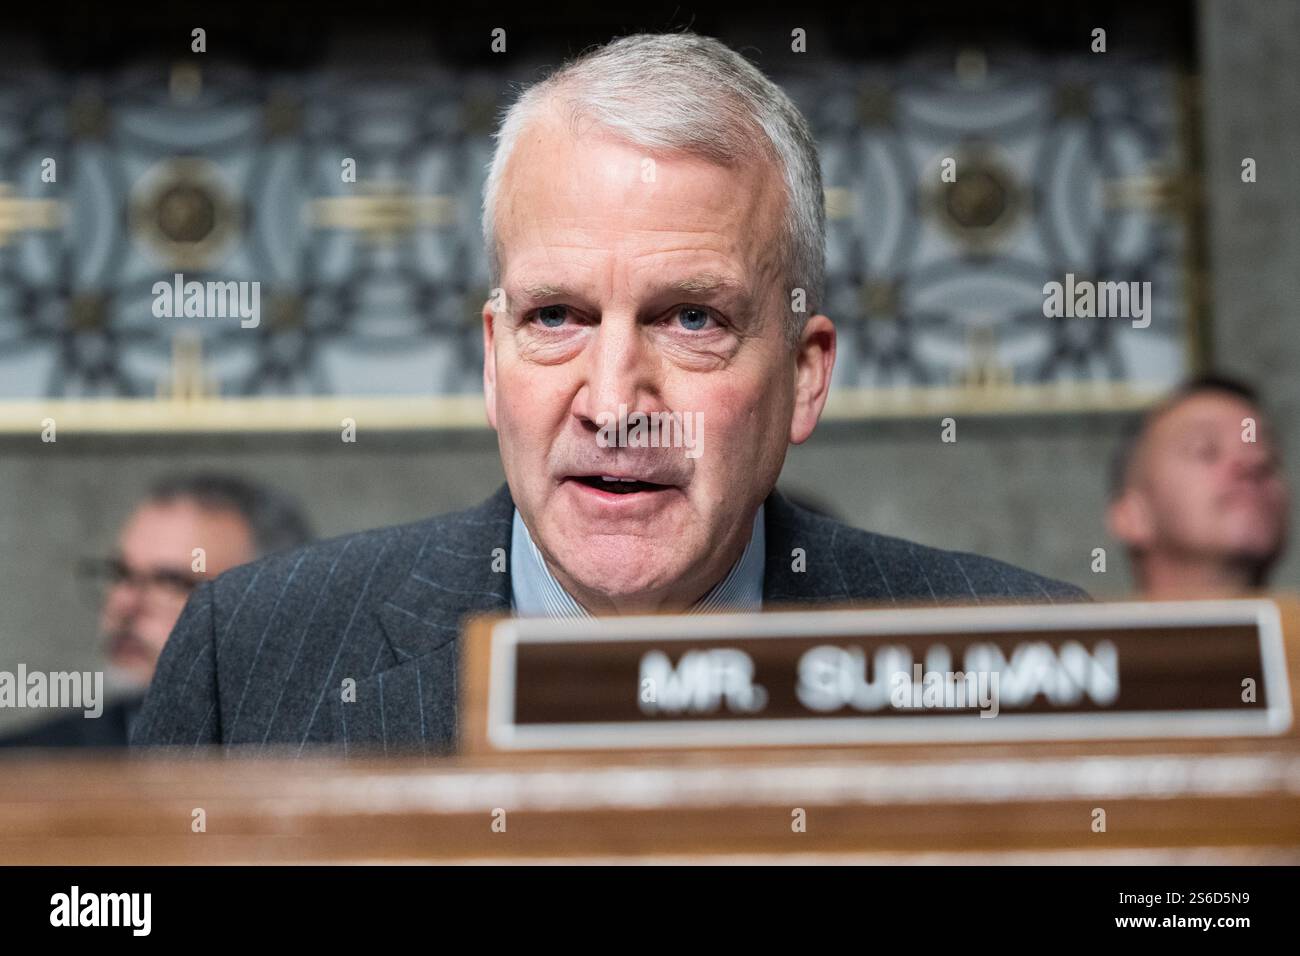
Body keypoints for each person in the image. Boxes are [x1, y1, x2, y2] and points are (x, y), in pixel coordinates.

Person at [132, 32, 1086, 754]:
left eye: (691, 320)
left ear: (804, 375)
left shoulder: (1023, 662)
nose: (615, 402)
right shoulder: (249, 660)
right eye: (556, 317)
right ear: (492, 358)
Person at [0, 474, 311, 748]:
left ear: (273, 608)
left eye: (170, 582)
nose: (123, 604)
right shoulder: (23, 772)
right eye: (120, 573)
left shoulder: (333, 764)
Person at [1107, 374, 1289, 598]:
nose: (1252, 463)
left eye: (1267, 456)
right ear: (1132, 515)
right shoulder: (1068, 630)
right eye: (1205, 450)